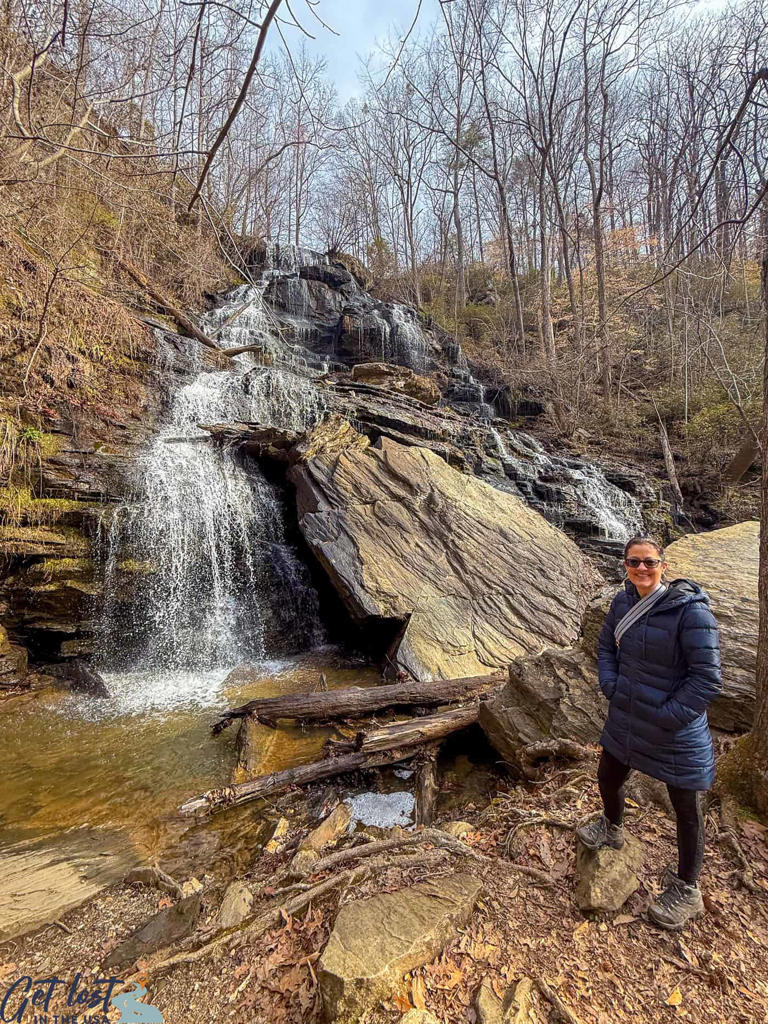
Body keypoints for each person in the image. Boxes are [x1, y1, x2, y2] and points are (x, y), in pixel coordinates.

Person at [577, 535, 722, 930]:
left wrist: (668, 715)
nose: (641, 569)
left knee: (686, 809)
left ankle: (688, 890)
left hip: (674, 728)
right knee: (608, 777)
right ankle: (612, 828)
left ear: (663, 566)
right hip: (627, 715)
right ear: (624, 566)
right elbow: (606, 647)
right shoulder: (623, 602)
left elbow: (707, 679)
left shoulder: (691, 612)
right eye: (633, 563)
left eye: (649, 562)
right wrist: (611, 685)